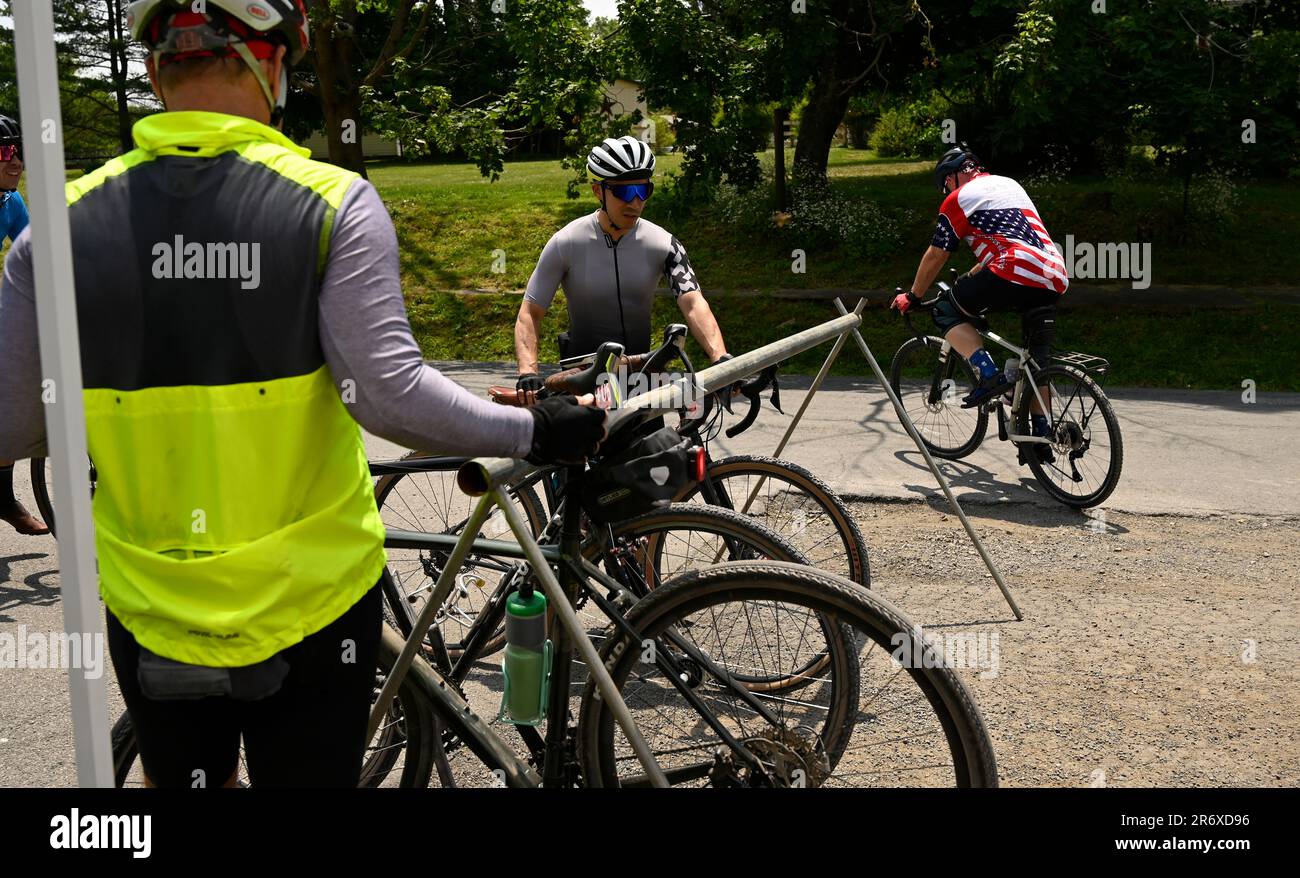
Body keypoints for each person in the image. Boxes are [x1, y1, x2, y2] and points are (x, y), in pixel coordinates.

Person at [0, 0, 604, 788]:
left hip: (155, 607)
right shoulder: (331, 203)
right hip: (313, 609)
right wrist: (535, 430)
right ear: (273, 65)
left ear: (154, 70)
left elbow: (11, 422)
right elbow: (387, 397)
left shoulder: (55, 230)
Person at [514, 135, 733, 402]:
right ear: (598, 191)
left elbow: (693, 303)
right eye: (624, 192)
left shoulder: (663, 243)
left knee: (665, 443)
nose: (636, 202)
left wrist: (720, 357)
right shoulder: (566, 242)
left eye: (643, 190)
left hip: (641, 376)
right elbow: (531, 312)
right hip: (583, 381)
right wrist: (528, 371)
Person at [892, 144, 1067, 463]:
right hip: (1054, 273)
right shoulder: (1010, 184)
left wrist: (914, 296)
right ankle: (1041, 434)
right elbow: (1011, 240)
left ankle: (989, 375)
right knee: (1036, 362)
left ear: (955, 175)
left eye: (945, 182)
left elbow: (937, 254)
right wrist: (970, 277)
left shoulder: (958, 198)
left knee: (945, 309)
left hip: (1013, 269)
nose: (945, 189)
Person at [0, 112, 48, 535]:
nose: (15, 162)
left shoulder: (10, 203)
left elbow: (37, 260)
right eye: (4, 151)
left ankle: (0, 496)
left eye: (18, 151)